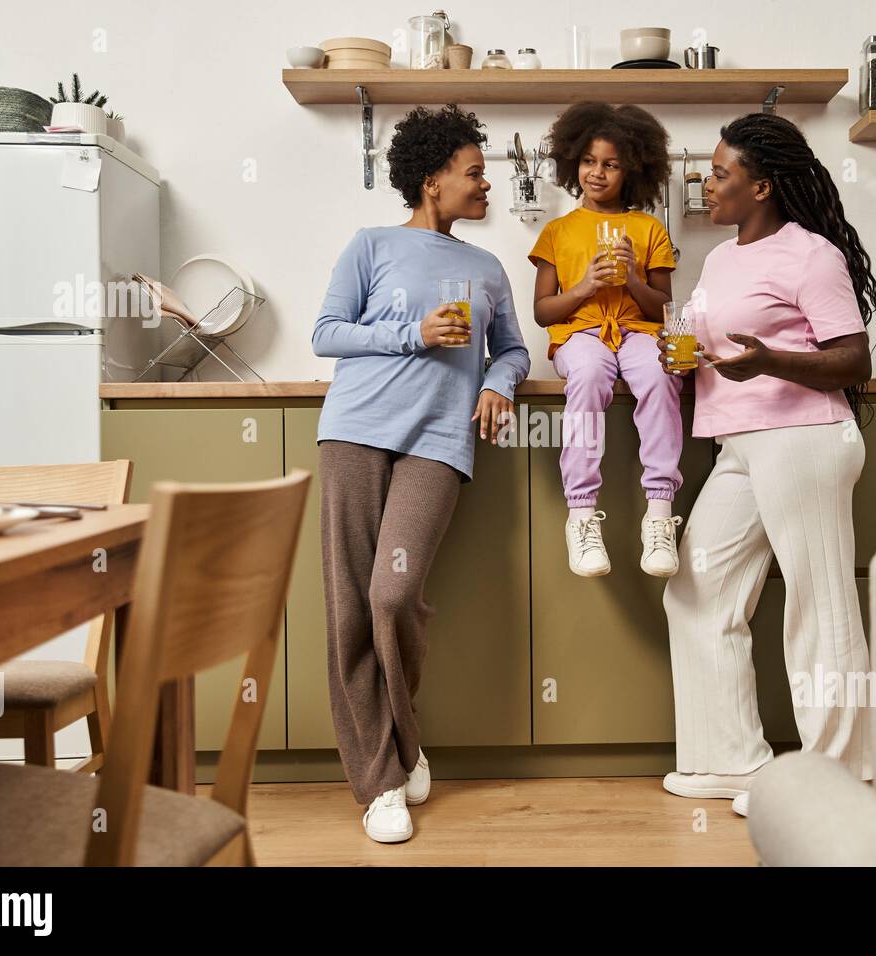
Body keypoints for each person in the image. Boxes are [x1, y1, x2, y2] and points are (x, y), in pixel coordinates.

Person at [312, 104, 530, 843]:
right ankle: (380, 782)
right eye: (475, 172)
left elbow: (514, 350)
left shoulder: (487, 267)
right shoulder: (371, 245)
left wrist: (500, 381)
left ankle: (405, 743)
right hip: (354, 432)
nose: (486, 184)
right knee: (348, 610)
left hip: (439, 440)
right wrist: (414, 332)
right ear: (433, 180)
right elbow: (326, 334)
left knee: (393, 594)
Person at [658, 112, 876, 818]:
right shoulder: (722, 259)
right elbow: (707, 345)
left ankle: (839, 775)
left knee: (819, 605)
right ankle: (732, 762)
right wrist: (679, 356)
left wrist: (769, 361)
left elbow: (853, 359)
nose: (708, 182)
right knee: (696, 590)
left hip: (805, 438)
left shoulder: (809, 254)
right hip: (739, 444)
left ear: (760, 186)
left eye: (721, 173)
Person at [529, 102, 684, 578]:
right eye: (589, 161)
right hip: (579, 334)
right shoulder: (556, 231)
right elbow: (542, 312)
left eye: (611, 164)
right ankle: (581, 515)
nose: (597, 173)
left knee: (662, 374)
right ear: (573, 162)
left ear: (632, 169)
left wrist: (634, 278)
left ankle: (659, 514)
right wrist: (586, 287)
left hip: (638, 331)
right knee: (590, 375)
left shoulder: (648, 228)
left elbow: (664, 309)